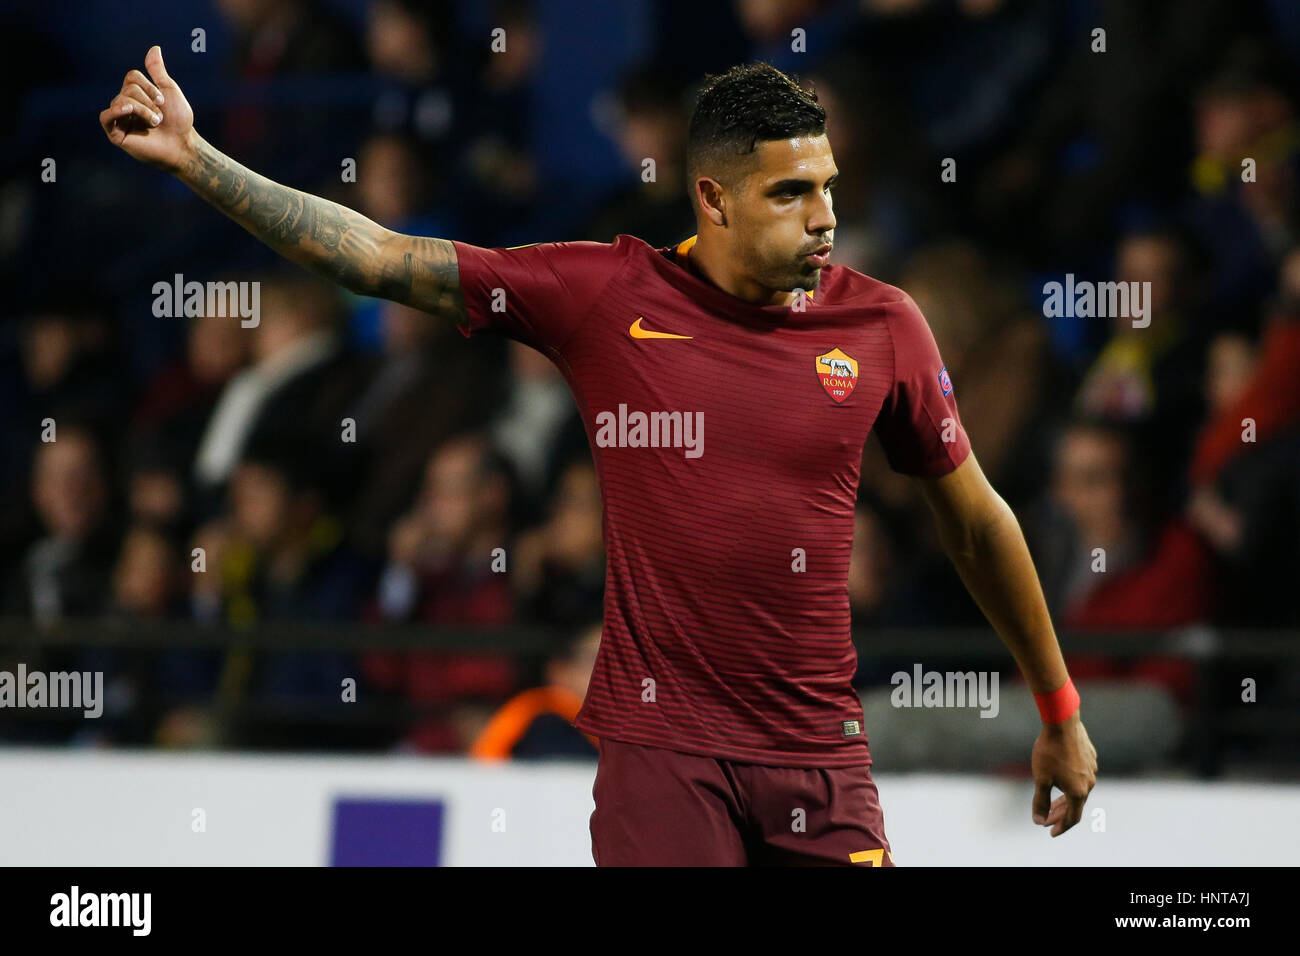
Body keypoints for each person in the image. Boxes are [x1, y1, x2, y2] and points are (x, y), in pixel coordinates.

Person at [100, 50, 1096, 865]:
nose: (824, 216)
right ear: (713, 196)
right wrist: (199, 161)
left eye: (827, 186)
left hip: (818, 758)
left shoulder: (882, 323)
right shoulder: (603, 295)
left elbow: (974, 518)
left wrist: (1056, 704)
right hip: (663, 758)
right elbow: (379, 256)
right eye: (791, 193)